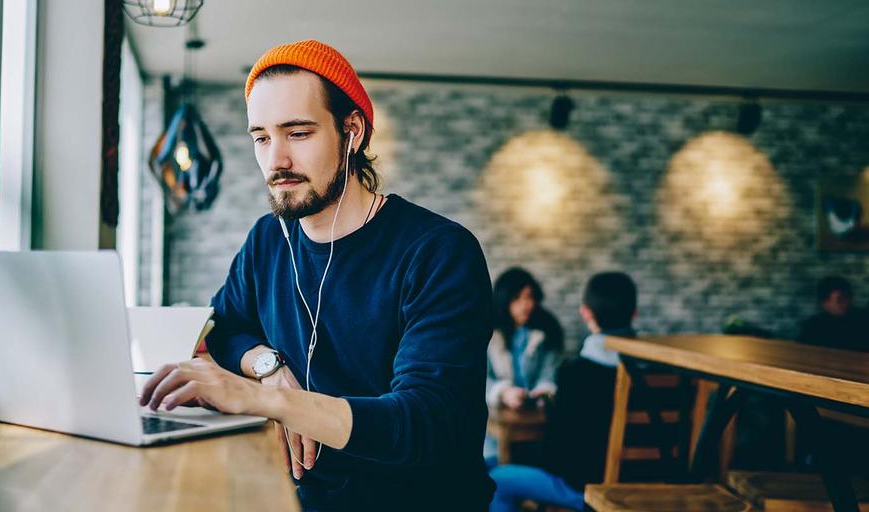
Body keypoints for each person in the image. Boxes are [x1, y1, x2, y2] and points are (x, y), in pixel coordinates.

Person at [139, 40, 495, 510]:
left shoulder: (438, 252)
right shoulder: (268, 239)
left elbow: (427, 422)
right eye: (261, 137)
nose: (276, 160)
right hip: (291, 496)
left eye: (298, 133)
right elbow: (225, 328)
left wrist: (270, 401)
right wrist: (268, 367)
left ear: (352, 132)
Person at [489, 272, 638, 512]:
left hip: (589, 491)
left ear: (585, 312)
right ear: (634, 314)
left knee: (496, 481)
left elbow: (557, 456)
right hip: (649, 486)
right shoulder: (663, 372)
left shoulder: (576, 374)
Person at [484, 268, 564, 466]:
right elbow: (477, 378)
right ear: (504, 300)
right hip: (494, 420)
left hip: (534, 419)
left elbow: (550, 373)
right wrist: (503, 392)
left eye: (529, 297)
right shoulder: (487, 333)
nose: (525, 305)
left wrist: (542, 391)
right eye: (517, 298)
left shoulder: (546, 331)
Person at [798, 275, 868, 352]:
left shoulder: (863, 319)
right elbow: (802, 352)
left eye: (848, 297)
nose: (847, 302)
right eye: (841, 299)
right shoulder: (813, 325)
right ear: (825, 303)